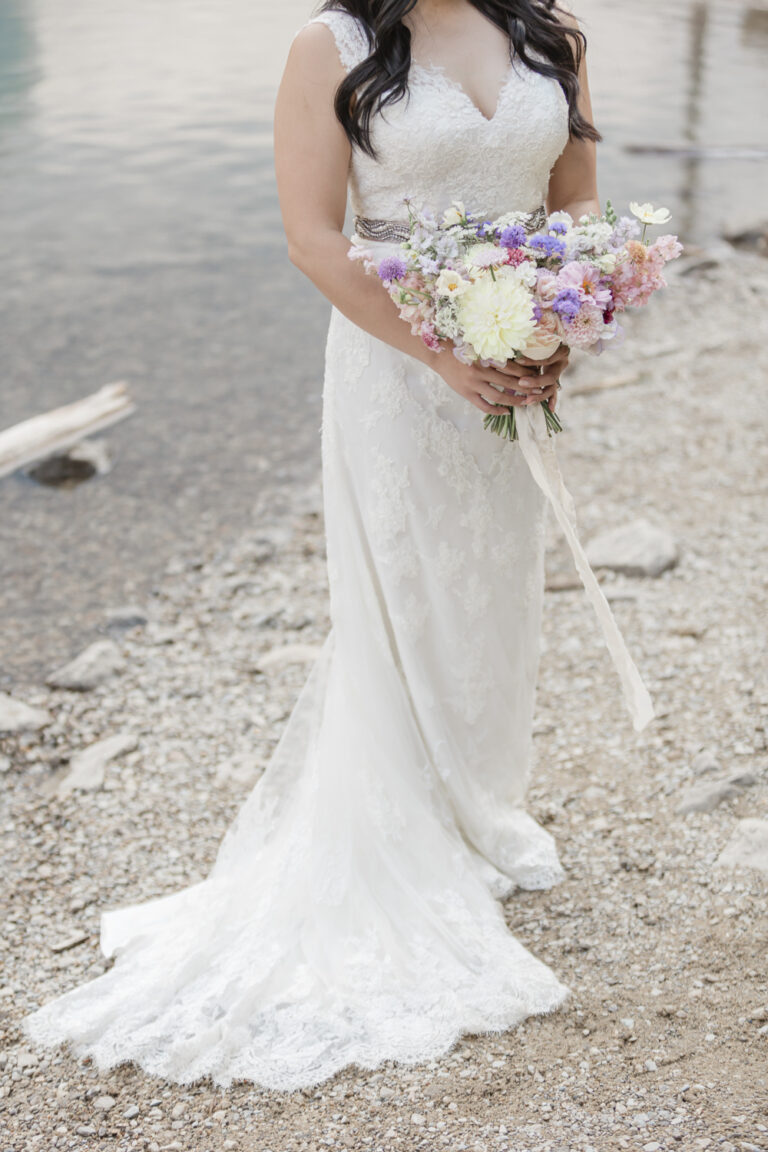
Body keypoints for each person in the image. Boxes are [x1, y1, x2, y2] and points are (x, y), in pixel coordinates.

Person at [23, 0, 638, 1091]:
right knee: (404, 589)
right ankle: (401, 825)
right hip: (396, 365)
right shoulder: (332, 47)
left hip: (515, 356)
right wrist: (445, 356)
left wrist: (560, 323)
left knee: (488, 588)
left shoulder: (557, 37)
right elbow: (312, 237)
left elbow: (575, 198)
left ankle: (466, 806)